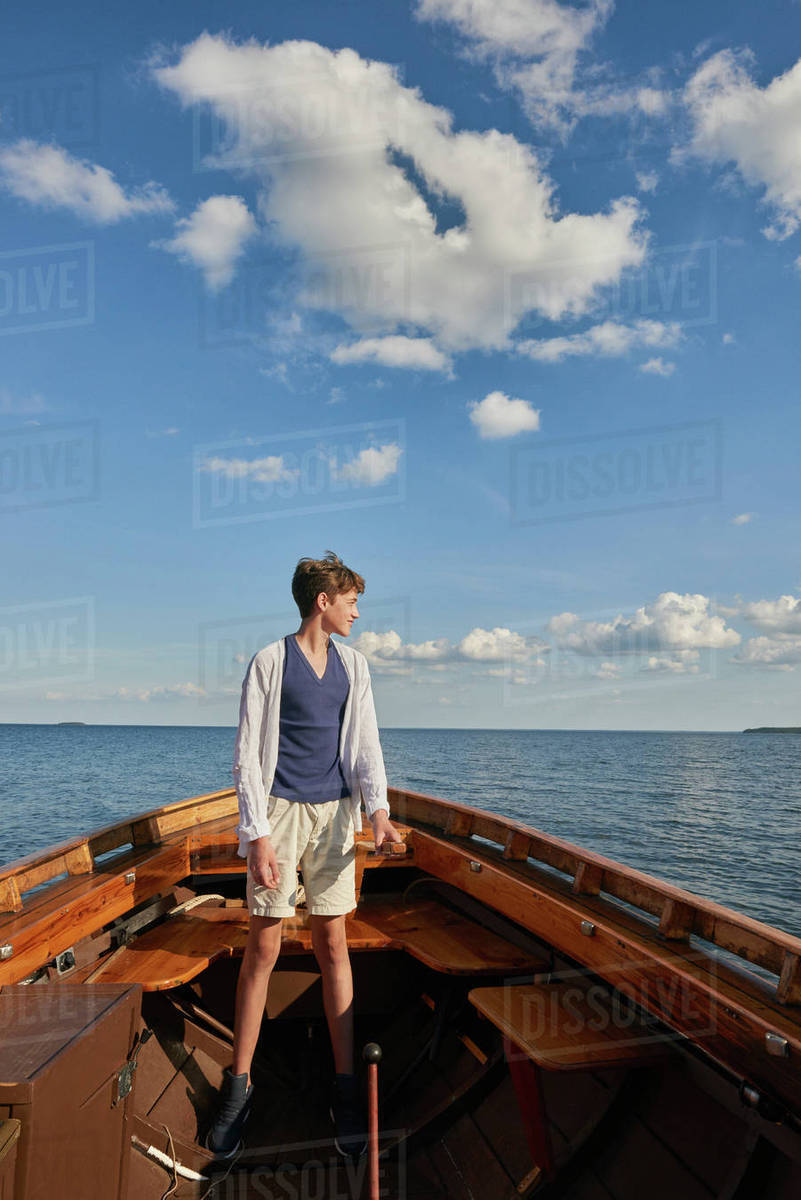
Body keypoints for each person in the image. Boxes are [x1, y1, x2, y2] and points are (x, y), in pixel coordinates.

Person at [205, 551, 403, 1162]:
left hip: (337, 815)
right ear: (323, 600)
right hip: (280, 815)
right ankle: (238, 1090)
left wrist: (378, 812)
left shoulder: (354, 666)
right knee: (263, 948)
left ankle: (346, 1091)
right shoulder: (270, 662)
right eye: (350, 601)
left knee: (333, 945)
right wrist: (257, 836)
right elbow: (246, 755)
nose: (357, 611)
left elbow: (365, 743)